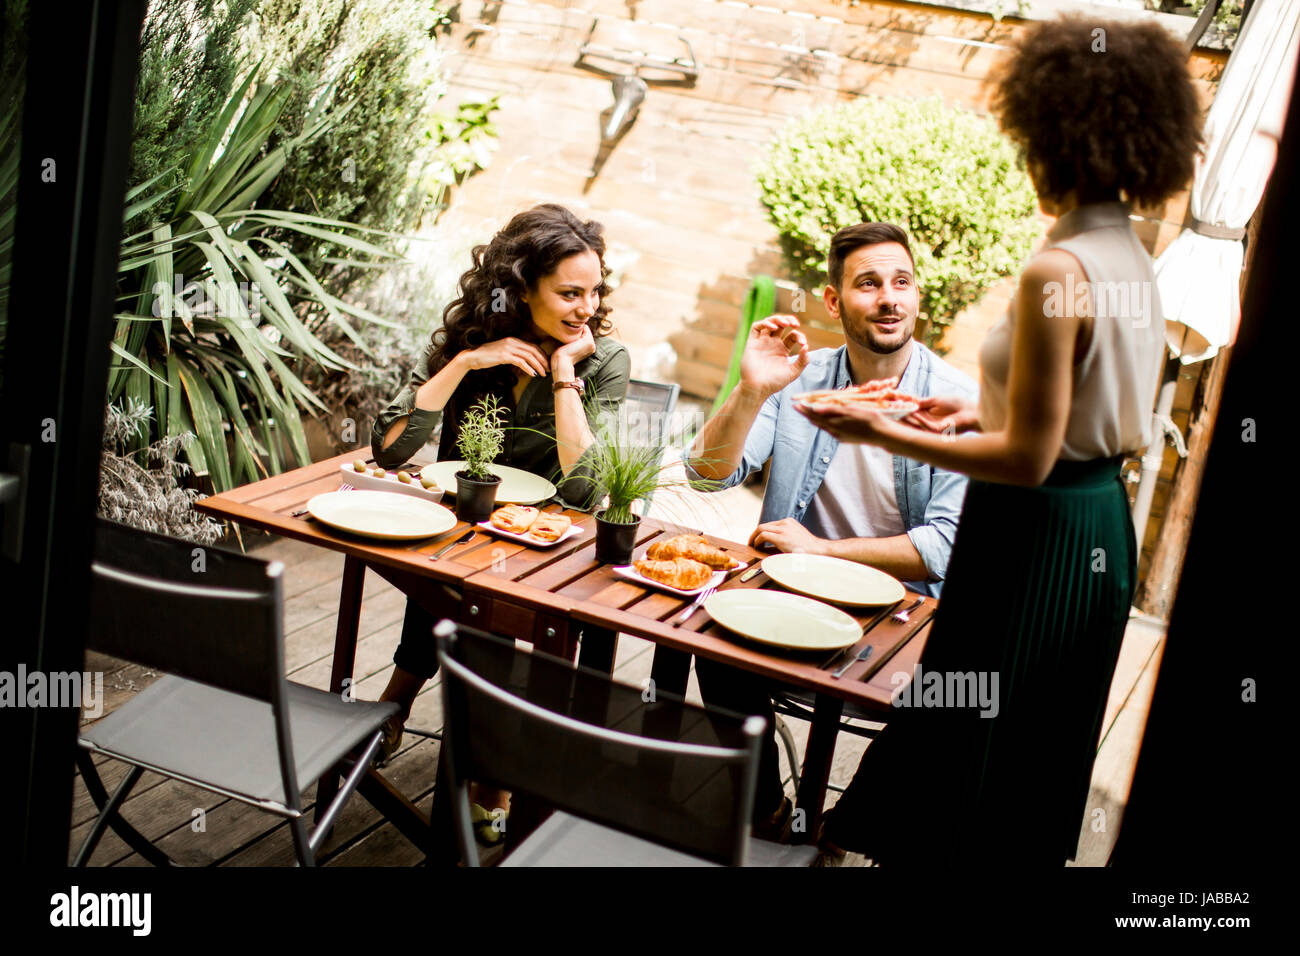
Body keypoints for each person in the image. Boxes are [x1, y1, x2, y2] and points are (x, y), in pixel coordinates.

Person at [794, 16, 1203, 865]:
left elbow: (1031, 457)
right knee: (1023, 734)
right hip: (1093, 526)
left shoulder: (1059, 269)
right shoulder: (1127, 255)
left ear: (1052, 135)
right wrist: (967, 414)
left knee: (970, 729)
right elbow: (1094, 410)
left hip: (1033, 530)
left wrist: (878, 426)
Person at [683, 221, 977, 835]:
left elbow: (945, 546)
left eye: (902, 282)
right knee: (709, 638)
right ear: (834, 301)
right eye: (868, 284)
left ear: (918, 295)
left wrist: (826, 550)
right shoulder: (797, 377)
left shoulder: (957, 400)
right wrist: (749, 391)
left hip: (906, 610)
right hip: (791, 589)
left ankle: (841, 830)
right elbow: (709, 475)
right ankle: (766, 810)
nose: (890, 298)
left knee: (958, 696)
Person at [369, 204, 630, 845]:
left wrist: (566, 376)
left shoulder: (605, 359)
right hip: (463, 527)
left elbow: (588, 485)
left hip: (552, 543)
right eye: (570, 292)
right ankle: (485, 766)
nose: (587, 307)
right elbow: (393, 452)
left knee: (479, 588)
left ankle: (409, 713)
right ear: (520, 289)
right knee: (455, 563)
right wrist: (464, 365)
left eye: (594, 291)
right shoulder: (473, 340)